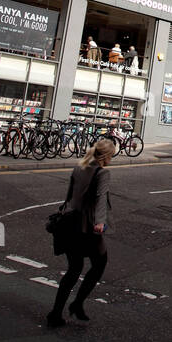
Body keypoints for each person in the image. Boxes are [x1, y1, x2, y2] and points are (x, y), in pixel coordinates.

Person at [48, 137, 116, 326]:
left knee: (73, 270)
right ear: (107, 156)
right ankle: (77, 303)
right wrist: (100, 222)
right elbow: (101, 198)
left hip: (70, 222)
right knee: (100, 264)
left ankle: (55, 313)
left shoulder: (79, 166)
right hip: (88, 226)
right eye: (112, 155)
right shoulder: (102, 173)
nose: (112, 159)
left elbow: (69, 194)